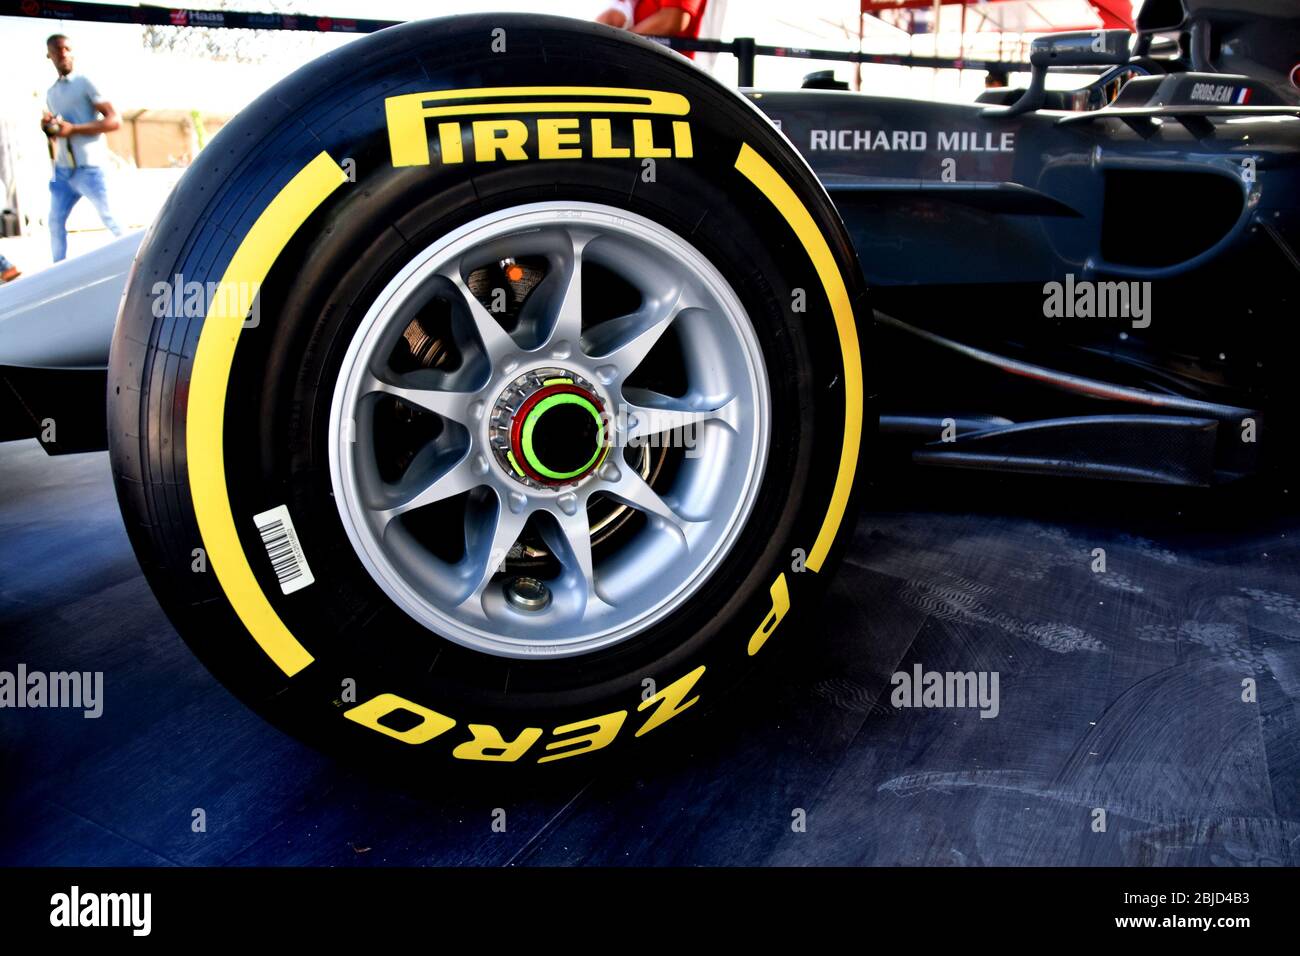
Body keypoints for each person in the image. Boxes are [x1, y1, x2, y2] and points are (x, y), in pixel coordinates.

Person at [42, 34, 123, 263]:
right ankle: (57, 271)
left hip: (90, 167)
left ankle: (139, 261)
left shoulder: (84, 83)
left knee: (111, 218)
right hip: (64, 170)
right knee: (55, 222)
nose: (63, 54)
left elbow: (115, 120)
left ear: (73, 51)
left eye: (67, 48)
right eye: (57, 50)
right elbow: (57, 132)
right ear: (50, 55)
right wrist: (50, 129)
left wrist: (74, 129)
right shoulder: (51, 93)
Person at [595, 1, 708, 57]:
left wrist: (617, 44)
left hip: (668, 77)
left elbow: (671, 21)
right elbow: (609, 19)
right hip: (634, 69)